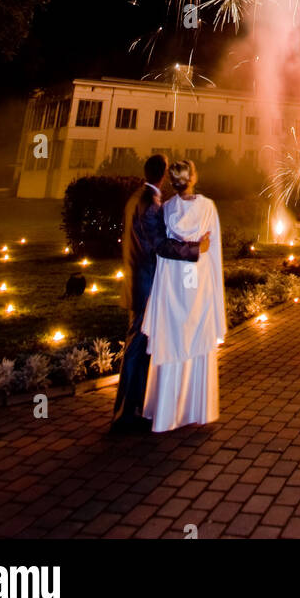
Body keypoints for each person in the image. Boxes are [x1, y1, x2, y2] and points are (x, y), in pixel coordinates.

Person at [110, 154, 209, 433]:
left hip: (136, 281)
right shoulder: (150, 204)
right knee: (136, 349)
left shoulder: (135, 198)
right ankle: (123, 416)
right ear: (163, 175)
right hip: (145, 285)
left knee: (140, 349)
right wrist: (194, 249)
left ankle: (135, 410)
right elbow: (159, 245)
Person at [141, 158, 226, 432]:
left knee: (173, 337)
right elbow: (213, 253)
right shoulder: (208, 207)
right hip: (198, 282)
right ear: (194, 178)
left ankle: (167, 411)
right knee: (197, 337)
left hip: (173, 283)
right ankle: (196, 407)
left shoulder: (165, 209)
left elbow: (164, 248)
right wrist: (215, 289)